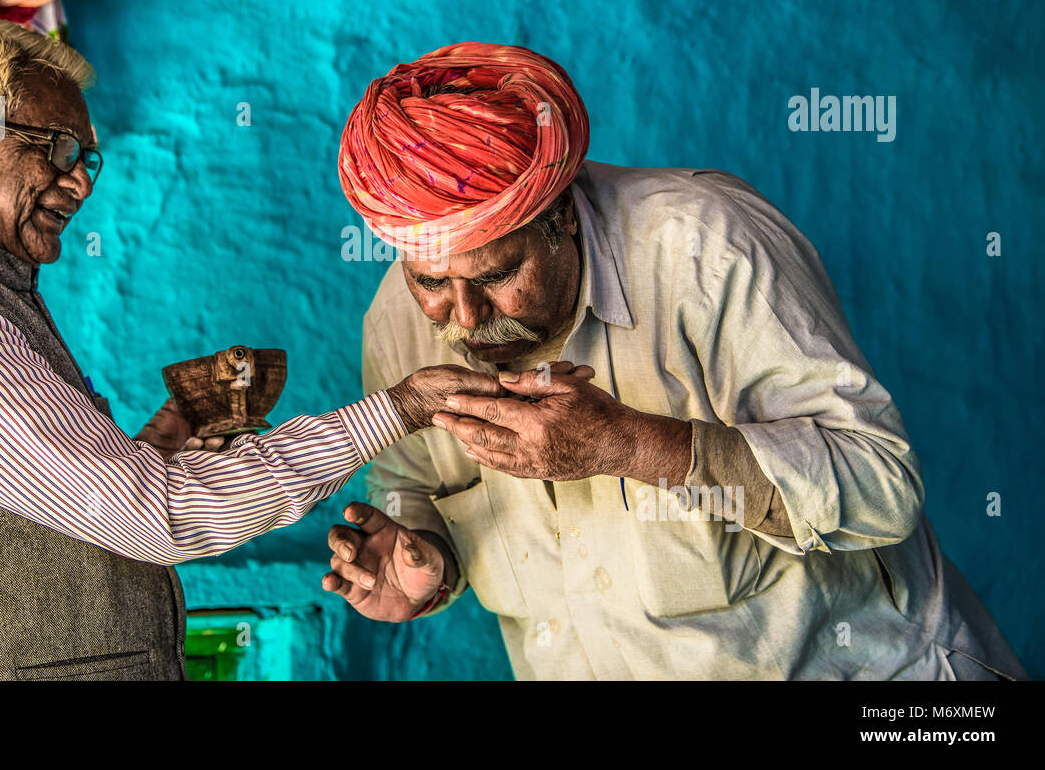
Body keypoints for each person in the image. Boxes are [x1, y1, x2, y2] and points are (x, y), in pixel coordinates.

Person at [322, 40, 1027, 680]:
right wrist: (425, 558)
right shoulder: (399, 320)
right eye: (432, 282)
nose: (466, 314)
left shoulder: (708, 249)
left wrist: (628, 444)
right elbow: (412, 486)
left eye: (499, 273)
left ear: (562, 213)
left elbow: (883, 484)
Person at [0, 19, 498, 680]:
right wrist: (400, 408)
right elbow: (156, 516)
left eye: (87, 158)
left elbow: (85, 504)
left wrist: (172, 431)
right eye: (56, 149)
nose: (82, 182)